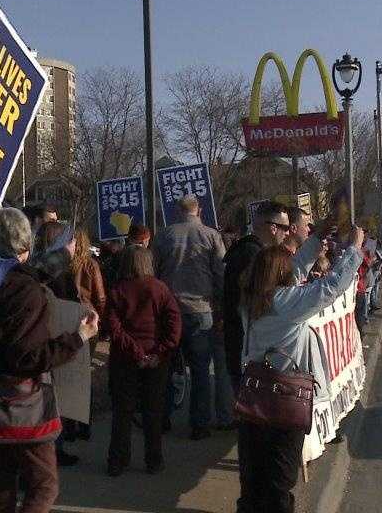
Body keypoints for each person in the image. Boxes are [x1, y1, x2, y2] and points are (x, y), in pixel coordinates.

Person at [0, 207, 98, 513]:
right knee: (44, 486)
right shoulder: (26, 289)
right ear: (26, 247)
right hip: (24, 407)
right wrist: (79, 337)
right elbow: (28, 357)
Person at [237, 226, 365, 513]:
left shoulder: (252, 299)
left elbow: (292, 272)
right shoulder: (284, 303)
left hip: (253, 400)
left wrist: (316, 239)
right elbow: (330, 287)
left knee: (252, 482)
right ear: (280, 276)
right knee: (279, 484)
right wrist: (354, 249)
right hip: (283, 402)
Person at [153, 196, 230, 439]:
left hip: (169, 311)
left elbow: (152, 271)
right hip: (201, 309)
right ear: (199, 211)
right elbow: (221, 274)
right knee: (200, 370)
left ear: (178, 211)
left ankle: (162, 417)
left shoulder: (164, 235)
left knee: (165, 368)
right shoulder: (210, 235)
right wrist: (220, 306)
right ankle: (200, 424)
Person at [222, 202, 321, 391]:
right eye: (285, 227)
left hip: (247, 345)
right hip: (249, 349)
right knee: (254, 408)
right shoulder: (253, 255)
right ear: (273, 228)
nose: (288, 233)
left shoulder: (252, 252)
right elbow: (265, 301)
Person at [105, 245, 182, 476]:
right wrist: (159, 352)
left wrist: (136, 353)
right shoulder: (160, 289)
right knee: (153, 411)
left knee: (122, 411)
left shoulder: (117, 290)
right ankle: (154, 460)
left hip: (124, 358)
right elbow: (174, 324)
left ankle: (117, 460)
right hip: (156, 358)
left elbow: (114, 329)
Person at [31, 220, 83, 466]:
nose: (75, 246)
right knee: (54, 398)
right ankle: (53, 450)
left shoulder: (32, 269)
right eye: (70, 242)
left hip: (45, 342)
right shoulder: (55, 274)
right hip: (54, 340)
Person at [70, 228, 105, 441]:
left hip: (69, 316)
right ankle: (84, 424)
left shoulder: (66, 264)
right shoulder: (91, 264)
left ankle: (70, 427)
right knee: (84, 373)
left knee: (68, 374)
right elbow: (100, 296)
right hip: (88, 314)